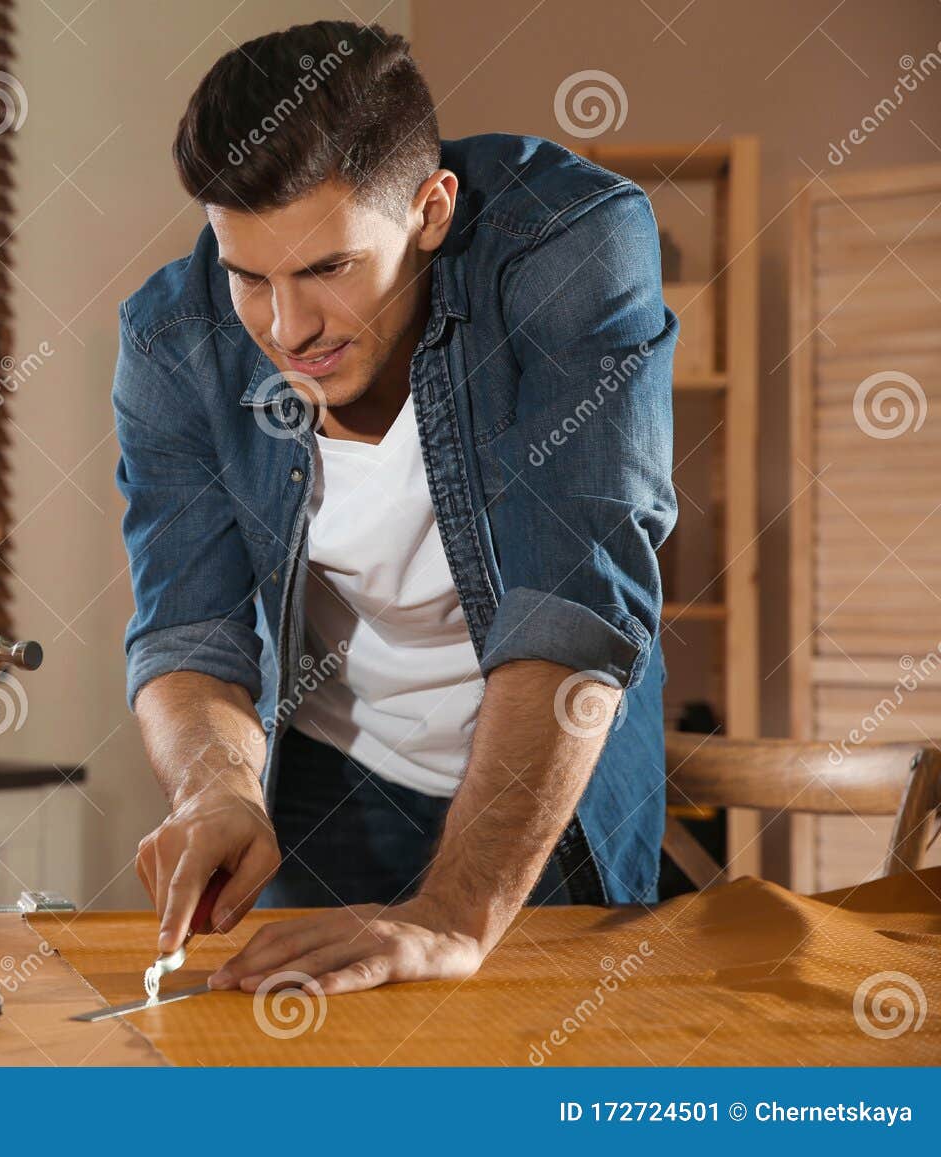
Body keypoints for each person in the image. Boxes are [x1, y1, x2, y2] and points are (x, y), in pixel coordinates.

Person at [112, 20, 676, 996]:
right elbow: (187, 635)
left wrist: (452, 918)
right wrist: (218, 787)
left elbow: (573, 605)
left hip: (544, 784)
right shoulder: (172, 337)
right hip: (333, 780)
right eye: (249, 275)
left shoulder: (566, 244)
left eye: (328, 268)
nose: (287, 330)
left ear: (430, 209)